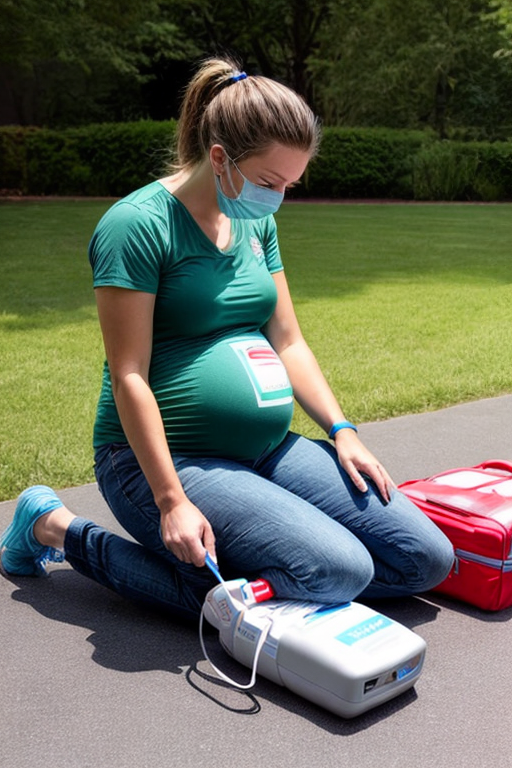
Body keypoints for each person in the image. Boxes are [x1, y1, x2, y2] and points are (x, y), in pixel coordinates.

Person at [0, 57, 453, 623]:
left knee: (425, 559)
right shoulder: (136, 225)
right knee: (337, 570)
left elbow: (288, 340)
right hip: (164, 461)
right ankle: (54, 526)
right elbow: (128, 373)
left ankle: (262, 576)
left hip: (267, 449)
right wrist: (172, 500)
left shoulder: (256, 221)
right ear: (220, 159)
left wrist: (342, 431)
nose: (278, 198)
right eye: (269, 182)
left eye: (290, 185)